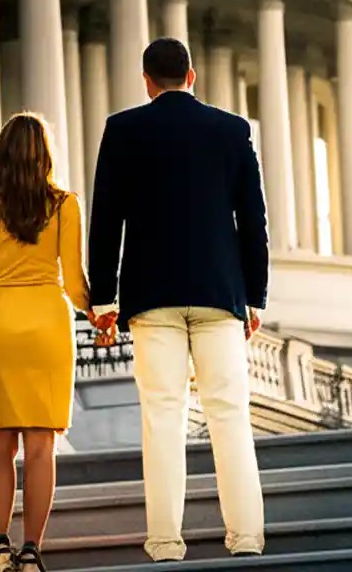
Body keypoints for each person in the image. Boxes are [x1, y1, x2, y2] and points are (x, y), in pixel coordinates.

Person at [86, 37, 269, 562]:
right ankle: (247, 538)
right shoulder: (233, 131)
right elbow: (252, 222)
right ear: (192, 76)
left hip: (152, 296)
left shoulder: (123, 130)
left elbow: (107, 221)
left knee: (162, 419)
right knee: (230, 416)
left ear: (147, 81)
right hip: (219, 292)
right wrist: (253, 296)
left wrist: (103, 299)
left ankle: (166, 542)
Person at [0, 113, 92, 572]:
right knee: (42, 447)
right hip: (48, 325)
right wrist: (99, 312)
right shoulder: (65, 204)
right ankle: (32, 554)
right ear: (45, 156)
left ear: (2, 152)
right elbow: (76, 284)